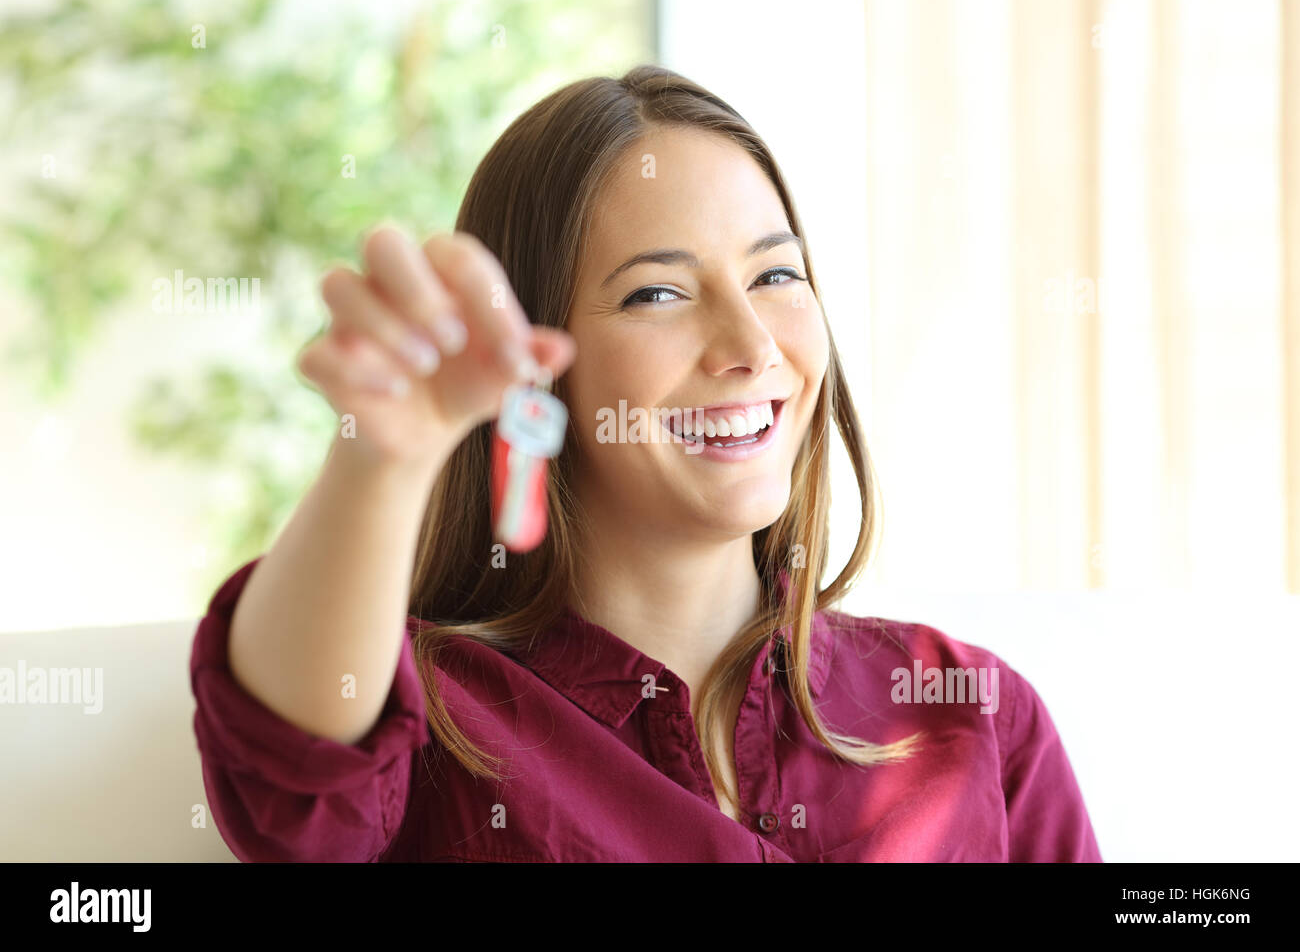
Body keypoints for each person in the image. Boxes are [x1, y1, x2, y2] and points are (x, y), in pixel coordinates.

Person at [189, 64, 1102, 862]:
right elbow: (293, 764)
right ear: (537, 367)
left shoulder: (970, 712)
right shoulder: (439, 725)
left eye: (776, 276)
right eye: (657, 293)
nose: (750, 346)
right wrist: (382, 461)